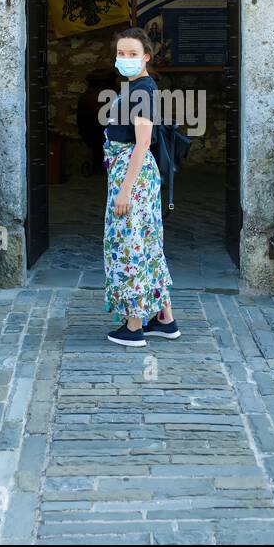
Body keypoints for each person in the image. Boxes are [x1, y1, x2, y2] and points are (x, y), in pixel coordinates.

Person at [102, 27, 178, 346]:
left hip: (131, 174)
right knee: (146, 243)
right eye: (121, 53)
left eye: (133, 54)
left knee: (129, 246)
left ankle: (134, 327)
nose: (126, 58)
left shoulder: (142, 91)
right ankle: (164, 320)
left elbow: (143, 144)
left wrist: (124, 190)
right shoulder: (136, 86)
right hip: (133, 173)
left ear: (146, 57)